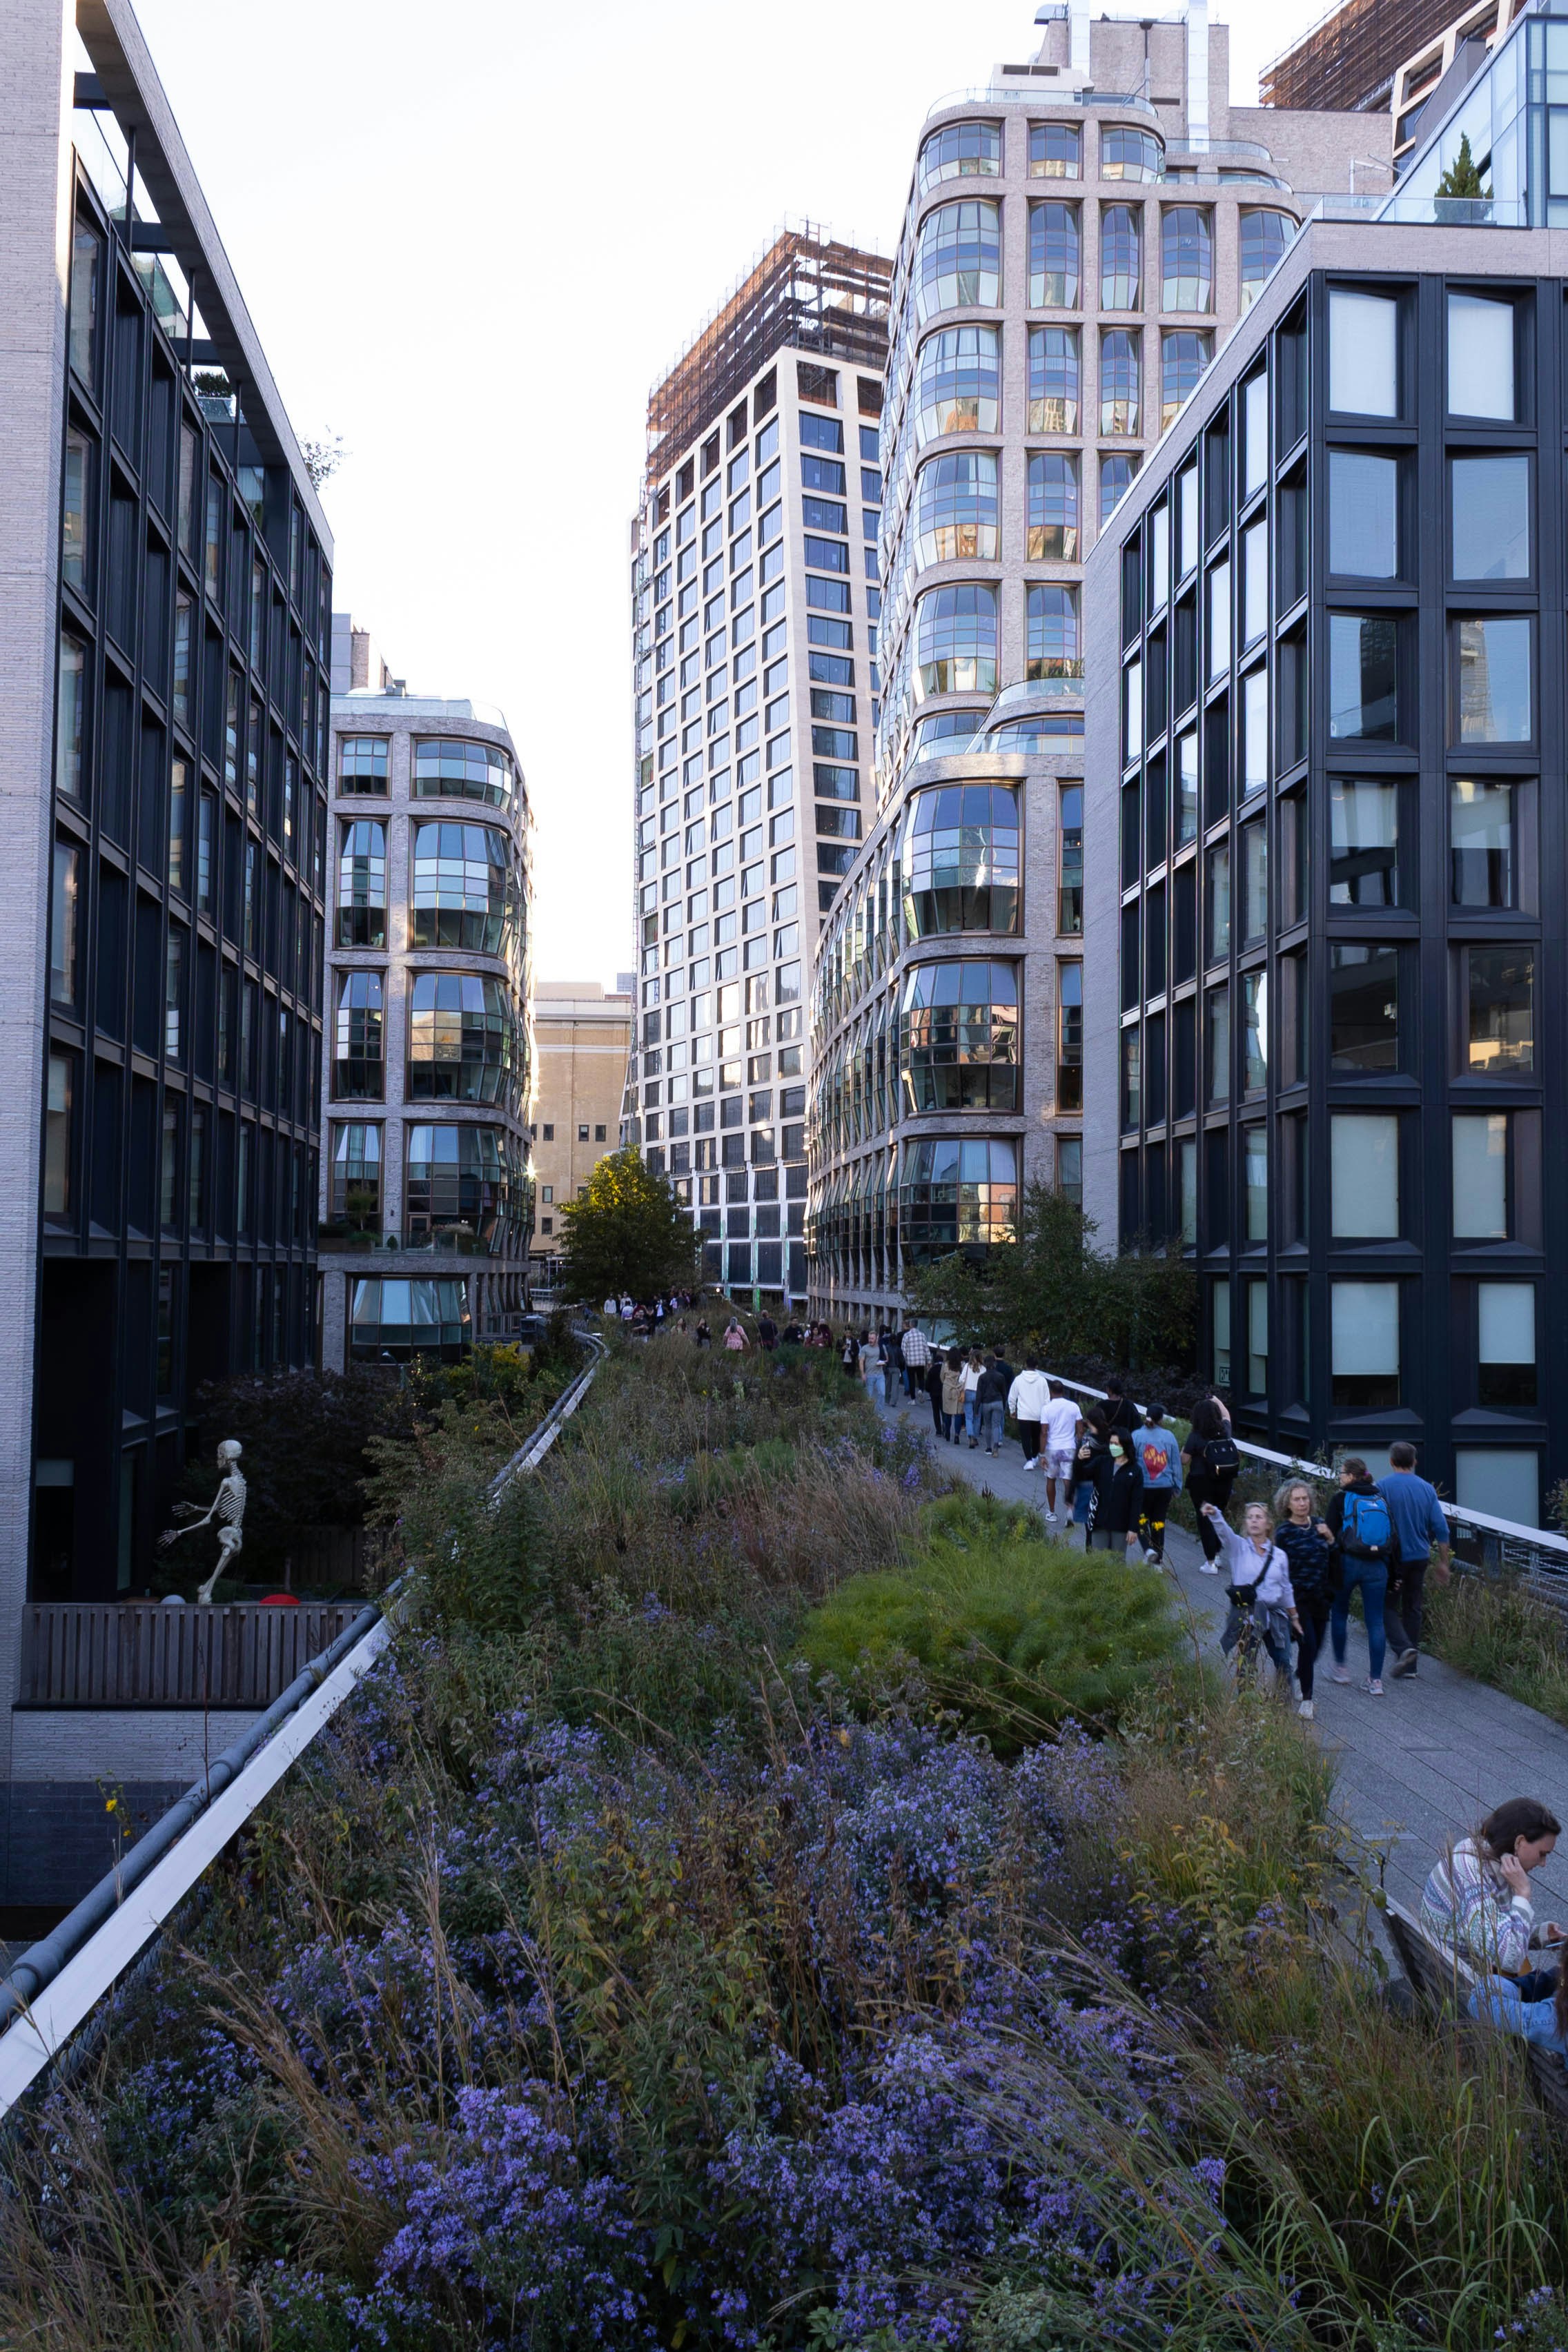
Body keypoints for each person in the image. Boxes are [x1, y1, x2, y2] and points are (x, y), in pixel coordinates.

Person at [1422, 1799, 1566, 1995]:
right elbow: (1509, 1957)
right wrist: (1523, 1893)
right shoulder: (1472, 1877)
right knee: (1558, 1982)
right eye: (1542, 1854)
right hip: (1466, 1992)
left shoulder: (1483, 1859)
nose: (1543, 1863)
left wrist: (1537, 1936)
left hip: (1460, 1976)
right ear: (1520, 1842)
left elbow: (1486, 1933)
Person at [1202, 1500, 1300, 1689]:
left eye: (1259, 1517)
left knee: (1283, 1662)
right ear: (1246, 1523)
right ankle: (1245, 1708)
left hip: (1275, 1615)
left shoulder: (1279, 1555)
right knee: (1246, 1663)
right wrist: (1215, 1514)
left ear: (1268, 1524)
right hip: (1246, 1615)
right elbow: (1224, 1532)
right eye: (1250, 1517)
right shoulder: (1239, 1548)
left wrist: (1294, 1616)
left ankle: (1282, 1706)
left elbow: (1286, 1588)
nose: (1254, 1521)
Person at [1378, 1442, 1453, 1679]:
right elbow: (1441, 1529)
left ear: (1391, 1462)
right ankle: (1410, 1667)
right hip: (1420, 1557)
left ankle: (1403, 1650)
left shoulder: (1381, 1487)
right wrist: (1443, 1563)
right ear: (1415, 1462)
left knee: (1385, 1606)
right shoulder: (1427, 1490)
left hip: (1393, 1559)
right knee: (1413, 1607)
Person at [1326, 1457, 1395, 1696]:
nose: (1340, 1477)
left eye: (1343, 1473)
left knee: (1340, 1614)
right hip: (1377, 1566)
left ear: (1352, 1477)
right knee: (1375, 1621)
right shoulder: (1380, 1498)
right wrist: (1393, 1573)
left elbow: (1329, 1535)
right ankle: (1375, 1680)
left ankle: (1341, 1669)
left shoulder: (1341, 1499)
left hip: (1348, 1563)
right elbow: (1393, 1538)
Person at [1273, 1479, 1337, 1721]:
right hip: (1295, 1599)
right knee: (1307, 1644)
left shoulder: (1320, 1525)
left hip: (1320, 1597)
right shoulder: (1283, 1533)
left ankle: (1300, 1676)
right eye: (1297, 1499)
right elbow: (1275, 1567)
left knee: (1317, 1646)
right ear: (1287, 1504)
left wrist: (1331, 1539)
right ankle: (1307, 1700)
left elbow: (1336, 1557)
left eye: (1305, 1498)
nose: (1302, 1503)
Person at [1182, 1398, 1239, 1572]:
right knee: (1218, 1517)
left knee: (1205, 1519)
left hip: (1201, 1482)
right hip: (1224, 1480)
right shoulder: (1225, 1430)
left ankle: (1211, 1562)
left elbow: (1184, 1460)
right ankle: (1217, 1554)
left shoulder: (1195, 1436)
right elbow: (1227, 1415)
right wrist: (1217, 1400)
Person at [1133, 1407, 1182, 1563]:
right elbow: (1176, 1464)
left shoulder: (1136, 1436)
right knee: (1158, 1522)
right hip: (1164, 1487)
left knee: (1140, 1519)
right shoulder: (1169, 1436)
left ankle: (1148, 1549)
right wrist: (1177, 1486)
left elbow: (1131, 1462)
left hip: (1143, 1487)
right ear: (1161, 1419)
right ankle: (1158, 1559)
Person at [1084, 1429, 1144, 1552]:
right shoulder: (1103, 1462)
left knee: (1117, 1562)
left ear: (1125, 1445)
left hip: (1120, 1525)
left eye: (1116, 1444)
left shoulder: (1135, 1471)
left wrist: (1133, 1528)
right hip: (1100, 1521)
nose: (1113, 1447)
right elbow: (1083, 1473)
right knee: (1097, 1561)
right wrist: (1080, 1459)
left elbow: (1136, 1501)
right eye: (1111, 1443)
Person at [1041, 1382, 1083, 1524]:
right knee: (1068, 1481)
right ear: (1063, 1391)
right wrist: (1077, 1445)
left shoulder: (1046, 1408)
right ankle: (1070, 1510)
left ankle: (1052, 1512)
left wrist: (1042, 1454)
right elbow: (1080, 1430)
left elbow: (1044, 1432)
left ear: (1051, 1392)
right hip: (1069, 1447)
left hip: (1052, 1448)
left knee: (1051, 1479)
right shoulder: (1074, 1407)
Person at [1068, 1408, 1110, 1543]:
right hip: (1107, 1485)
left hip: (1088, 1486)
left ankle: (1091, 1553)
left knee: (1090, 1526)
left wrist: (1070, 1492)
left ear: (1089, 1422)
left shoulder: (1087, 1441)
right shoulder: (1112, 1439)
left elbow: (1077, 1466)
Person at [1008, 1357, 1052, 1473]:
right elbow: (1047, 1400)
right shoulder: (1042, 1380)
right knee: (1037, 1437)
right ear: (1037, 1367)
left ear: (1025, 1364)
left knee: (1025, 1438)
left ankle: (1028, 1461)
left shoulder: (1018, 1380)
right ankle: (1034, 1456)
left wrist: (1012, 1410)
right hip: (1039, 1414)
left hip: (1024, 1414)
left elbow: (1012, 1397)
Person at [976, 1353, 1008, 1456]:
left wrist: (976, 1408)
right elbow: (1004, 1392)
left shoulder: (982, 1377)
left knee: (988, 1426)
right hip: (998, 1402)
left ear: (985, 1364)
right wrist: (1004, 1405)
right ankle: (996, 1447)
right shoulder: (1000, 1376)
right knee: (996, 1425)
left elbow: (979, 1394)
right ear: (995, 1364)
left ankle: (988, 1448)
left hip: (986, 1403)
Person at [939, 1349, 966, 1444]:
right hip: (958, 1390)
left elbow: (942, 1378)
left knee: (948, 1412)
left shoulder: (946, 1365)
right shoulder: (962, 1365)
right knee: (958, 1413)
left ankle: (947, 1433)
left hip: (948, 1391)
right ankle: (957, 1435)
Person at [1103, 1377, 1140, 1442]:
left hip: (1107, 1442)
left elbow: (1095, 1423)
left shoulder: (1102, 1405)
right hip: (1125, 1442)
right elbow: (1138, 1425)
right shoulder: (1129, 1405)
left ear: (1109, 1390)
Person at [900, 1320, 930, 1401]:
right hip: (921, 1361)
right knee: (921, 1378)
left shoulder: (906, 1336)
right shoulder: (922, 1335)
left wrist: (904, 1360)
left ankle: (913, 1399)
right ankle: (920, 1390)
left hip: (910, 1362)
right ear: (917, 1325)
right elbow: (926, 1348)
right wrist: (929, 1361)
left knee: (911, 1380)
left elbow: (903, 1350)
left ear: (910, 1325)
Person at [961, 1348, 985, 1448]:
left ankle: (970, 1436)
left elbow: (961, 1379)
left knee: (969, 1417)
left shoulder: (967, 1366)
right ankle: (975, 1437)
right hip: (979, 1394)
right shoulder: (983, 1369)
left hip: (968, 1393)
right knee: (977, 1417)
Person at [859, 1329, 885, 1409]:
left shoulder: (881, 1347)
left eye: (872, 1339)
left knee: (882, 1394)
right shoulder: (865, 1348)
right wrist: (863, 1374)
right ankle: (868, 1414)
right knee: (868, 1397)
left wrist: (883, 1362)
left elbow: (886, 1359)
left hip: (880, 1375)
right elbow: (861, 1361)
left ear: (877, 1338)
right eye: (869, 1338)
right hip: (869, 1375)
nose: (870, 1340)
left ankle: (880, 1414)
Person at [924, 1351, 946, 1437]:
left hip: (934, 1393)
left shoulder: (931, 1370)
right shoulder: (944, 1369)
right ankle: (945, 1425)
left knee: (936, 1412)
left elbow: (928, 1384)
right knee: (944, 1411)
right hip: (943, 1393)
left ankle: (938, 1431)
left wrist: (929, 1390)